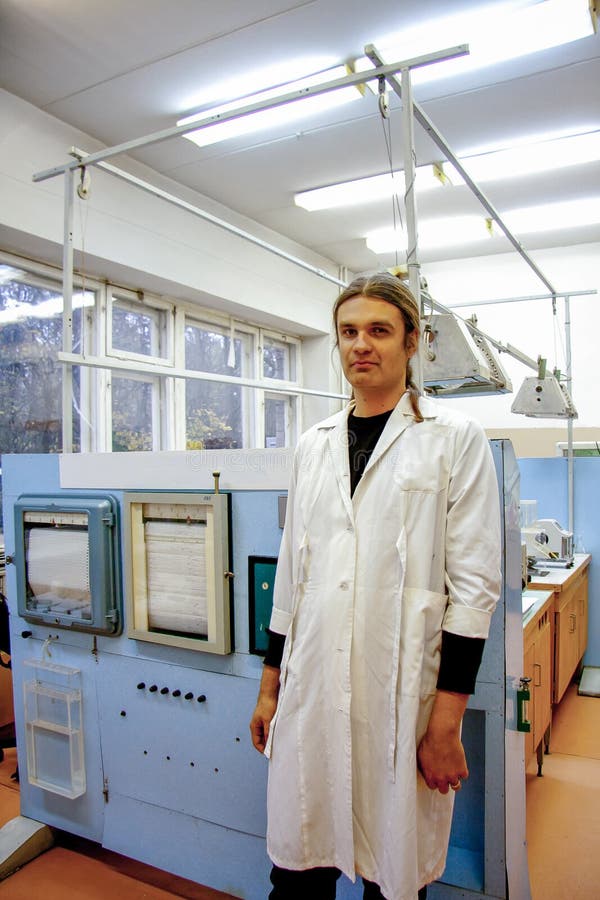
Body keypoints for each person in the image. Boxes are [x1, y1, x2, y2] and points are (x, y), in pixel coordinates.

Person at [250, 272, 501, 900]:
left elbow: (472, 593)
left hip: (401, 694)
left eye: (379, 331)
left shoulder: (453, 438)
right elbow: (292, 576)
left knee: (392, 874)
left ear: (412, 342)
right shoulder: (314, 445)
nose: (361, 344)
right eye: (348, 332)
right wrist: (268, 687)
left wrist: (445, 726)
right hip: (310, 685)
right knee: (298, 869)